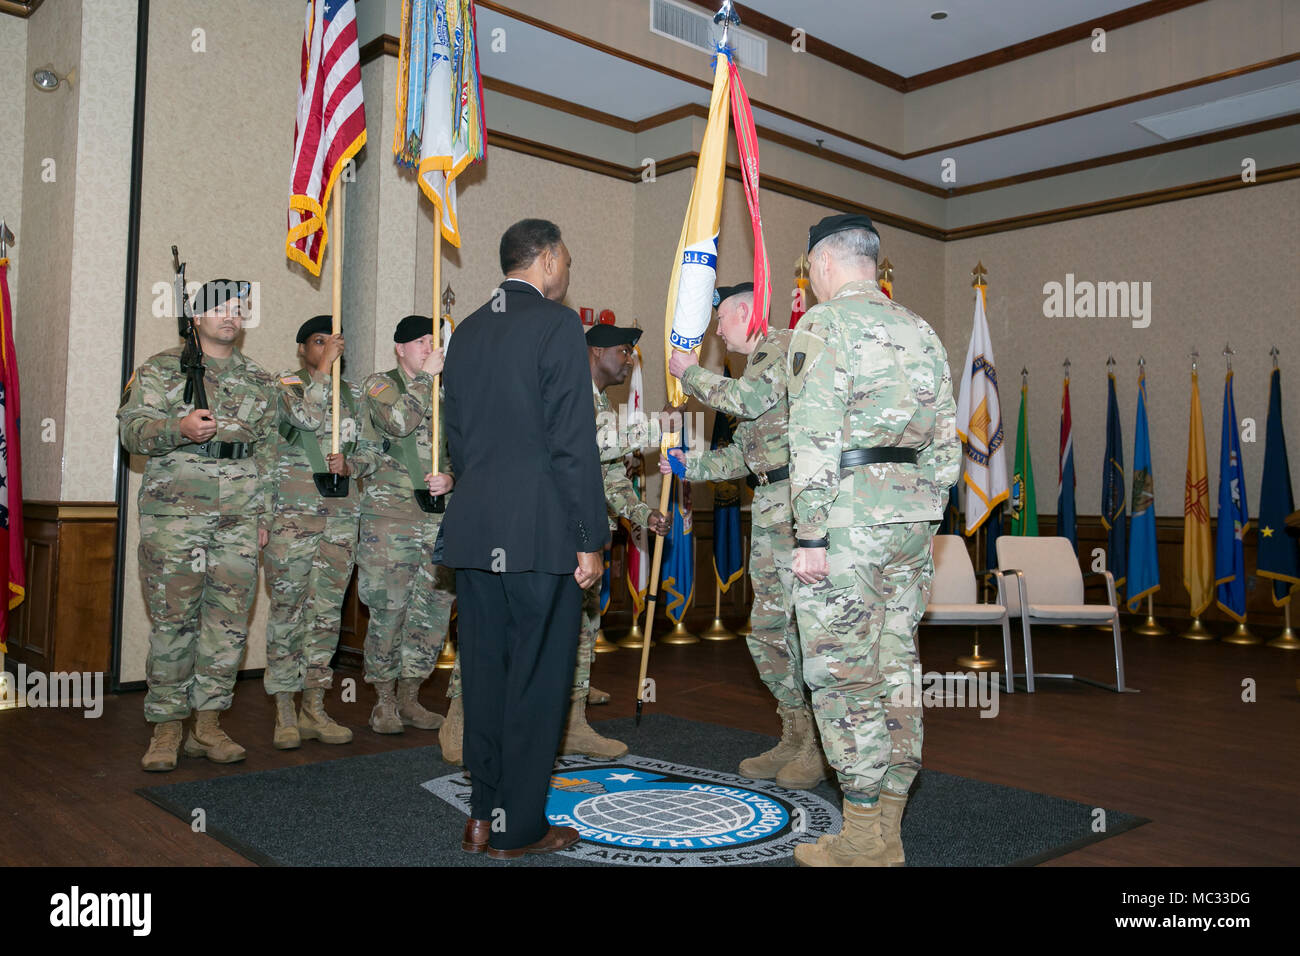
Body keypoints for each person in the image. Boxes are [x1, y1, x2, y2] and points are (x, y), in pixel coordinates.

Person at [785, 213, 959, 867]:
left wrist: (809, 533)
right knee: (897, 670)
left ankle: (861, 838)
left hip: (846, 525)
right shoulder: (921, 329)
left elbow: (813, 437)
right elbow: (948, 443)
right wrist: (925, 515)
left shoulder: (822, 325)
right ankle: (888, 827)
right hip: (911, 526)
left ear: (823, 264)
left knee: (844, 676)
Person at [441, 218, 608, 860]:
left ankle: (481, 814)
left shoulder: (471, 330)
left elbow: (457, 438)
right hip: (540, 535)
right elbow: (572, 441)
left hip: (476, 530)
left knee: (484, 673)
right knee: (537, 682)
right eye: (564, 256)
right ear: (543, 260)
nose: (567, 267)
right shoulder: (557, 324)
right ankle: (520, 827)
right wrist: (588, 537)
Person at [440, 323, 666, 764]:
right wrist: (663, 428)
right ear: (595, 351)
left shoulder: (601, 403)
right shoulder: (563, 388)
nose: (628, 360)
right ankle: (459, 718)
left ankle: (574, 723)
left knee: (581, 632)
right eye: (622, 351)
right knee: (501, 627)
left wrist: (642, 514)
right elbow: (581, 444)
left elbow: (610, 476)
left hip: (587, 538)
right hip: (541, 534)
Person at [664, 282, 825, 789]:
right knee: (769, 629)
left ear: (744, 312)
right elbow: (745, 455)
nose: (716, 328)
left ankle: (821, 743)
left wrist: (688, 373)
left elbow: (747, 402)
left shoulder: (780, 346)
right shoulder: (753, 365)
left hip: (799, 512)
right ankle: (795, 732)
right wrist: (692, 466)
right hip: (771, 506)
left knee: (804, 629)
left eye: (721, 318)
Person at [119, 278, 278, 771]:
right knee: (174, 623)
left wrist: (264, 516)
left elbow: (271, 450)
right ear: (196, 317)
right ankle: (167, 730)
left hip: (239, 518)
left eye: (240, 308)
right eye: (221, 308)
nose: (232, 315)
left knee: (228, 625)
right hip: (175, 516)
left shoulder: (260, 378)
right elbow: (130, 430)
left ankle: (208, 726)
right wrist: (178, 429)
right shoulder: (161, 369)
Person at [263, 315, 375, 749]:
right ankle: (284, 709)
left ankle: (315, 705)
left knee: (326, 615)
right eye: (317, 341)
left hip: (341, 519)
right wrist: (324, 372)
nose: (328, 346)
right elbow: (306, 418)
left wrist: (353, 465)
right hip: (292, 518)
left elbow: (370, 453)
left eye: (333, 341)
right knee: (287, 612)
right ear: (301, 349)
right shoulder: (284, 387)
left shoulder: (356, 398)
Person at [356, 316, 455, 735]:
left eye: (433, 341)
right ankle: (383, 701)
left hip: (437, 517)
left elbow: (458, 450)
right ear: (400, 348)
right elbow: (398, 423)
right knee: (388, 610)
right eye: (419, 341)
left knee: (431, 612)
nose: (429, 348)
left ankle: (411, 697)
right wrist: (426, 379)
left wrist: (452, 478)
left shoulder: (449, 393)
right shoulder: (381, 386)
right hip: (390, 519)